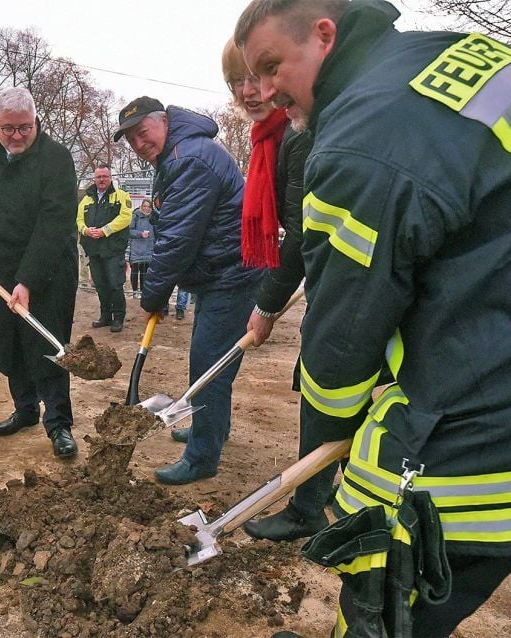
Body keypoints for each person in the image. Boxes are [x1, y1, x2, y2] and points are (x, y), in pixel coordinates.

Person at [235, 0, 511, 635]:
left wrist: (331, 430)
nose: (266, 92)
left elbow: (342, 344)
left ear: (323, 36)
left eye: (272, 67)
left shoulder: (362, 139)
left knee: (387, 597)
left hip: (499, 423)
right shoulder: (454, 57)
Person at [185, 39, 323, 543]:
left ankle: (310, 506)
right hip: (322, 275)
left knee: (324, 387)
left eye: (256, 76)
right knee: (319, 387)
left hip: (340, 281)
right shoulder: (270, 138)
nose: (248, 91)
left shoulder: (298, 136)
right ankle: (315, 498)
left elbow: (301, 232)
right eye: (235, 82)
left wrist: (267, 303)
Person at [113, 96, 263, 485]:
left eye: (143, 132)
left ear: (164, 121)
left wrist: (153, 296)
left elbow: (177, 241)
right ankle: (211, 429)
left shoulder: (188, 160)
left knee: (208, 366)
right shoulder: (178, 155)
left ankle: (201, 458)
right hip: (221, 274)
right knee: (213, 363)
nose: (139, 143)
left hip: (232, 275)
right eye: (131, 139)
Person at [0, 87, 79, 459]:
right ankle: (25, 408)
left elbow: (55, 223)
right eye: (8, 128)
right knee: (7, 343)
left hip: (49, 269)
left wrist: (28, 280)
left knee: (48, 346)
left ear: (36, 122)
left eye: (25, 128)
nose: (16, 136)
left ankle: (58, 424)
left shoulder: (56, 158)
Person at [77, 165, 133, 332]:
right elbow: (79, 220)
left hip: (113, 249)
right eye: (98, 177)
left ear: (110, 178)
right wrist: (85, 230)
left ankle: (118, 318)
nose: (101, 179)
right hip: (94, 249)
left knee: (115, 284)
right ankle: (105, 316)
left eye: (105, 176)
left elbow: (125, 217)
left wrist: (105, 231)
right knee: (100, 285)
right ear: (94, 179)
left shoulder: (121, 196)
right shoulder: (86, 199)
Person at [127, 200, 154, 300]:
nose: (147, 208)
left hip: (148, 249)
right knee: (135, 272)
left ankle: (143, 291)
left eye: (149, 206)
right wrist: (140, 234)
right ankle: (135, 291)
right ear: (141, 206)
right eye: (145, 206)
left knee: (145, 273)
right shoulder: (135, 216)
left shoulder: (153, 218)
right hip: (136, 249)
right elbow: (129, 231)